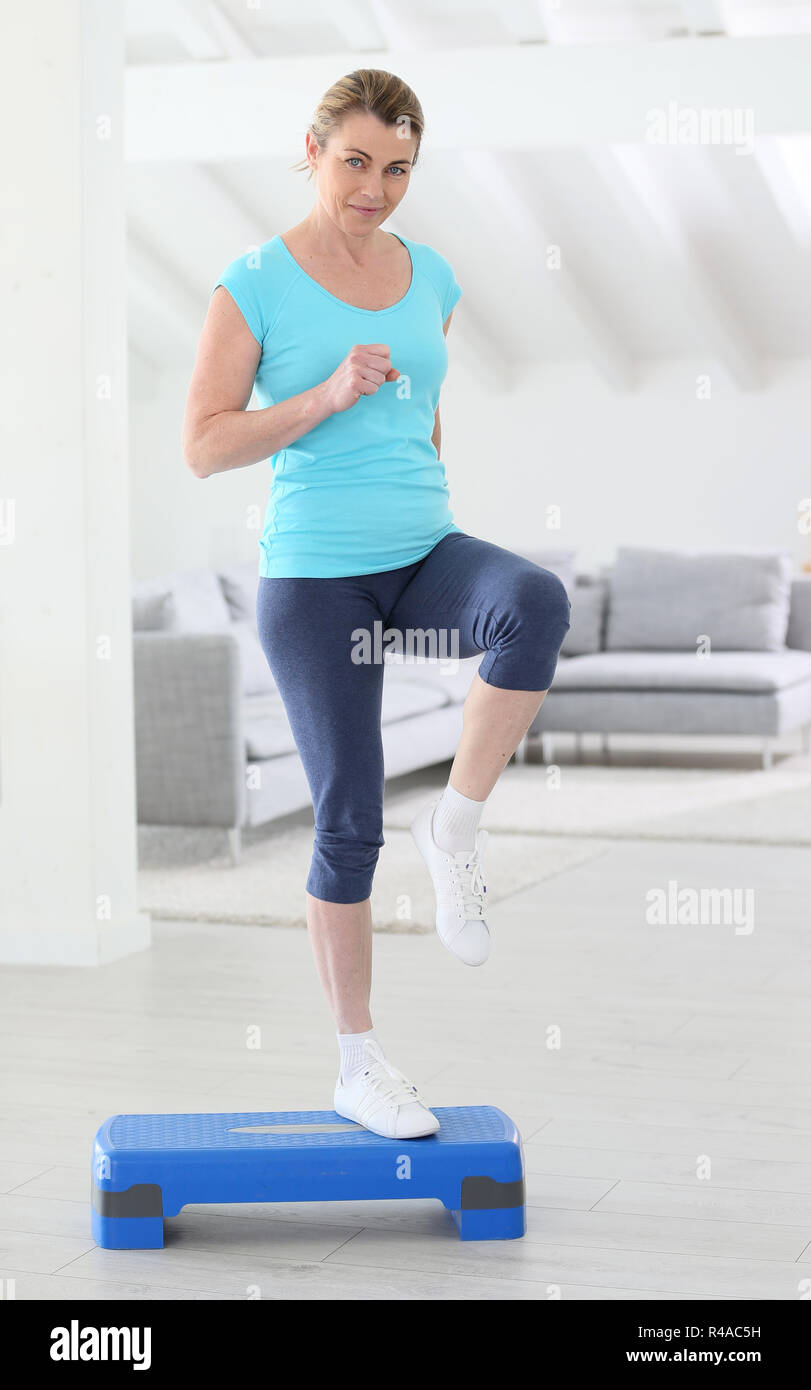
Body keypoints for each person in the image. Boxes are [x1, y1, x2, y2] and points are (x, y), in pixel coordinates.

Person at [181, 69, 571, 1141]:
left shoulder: (430, 274)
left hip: (424, 552)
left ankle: (456, 827)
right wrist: (321, 398)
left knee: (532, 601)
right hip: (315, 579)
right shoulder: (253, 282)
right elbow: (205, 444)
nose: (376, 187)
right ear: (310, 151)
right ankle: (357, 1062)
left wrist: (420, 483)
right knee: (348, 819)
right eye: (355, 161)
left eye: (397, 168)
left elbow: (426, 411)